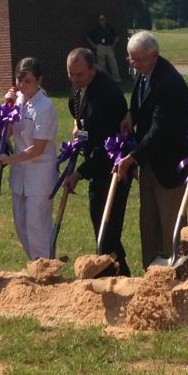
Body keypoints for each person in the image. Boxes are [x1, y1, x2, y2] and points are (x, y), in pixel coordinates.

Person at [116, 31, 188, 269]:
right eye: (131, 59)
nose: (133, 64)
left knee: (171, 224)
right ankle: (151, 272)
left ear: (154, 55)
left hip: (169, 165)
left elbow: (161, 129)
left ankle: (178, 275)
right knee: (148, 223)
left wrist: (133, 157)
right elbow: (140, 102)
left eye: (138, 59)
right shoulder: (143, 73)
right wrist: (131, 114)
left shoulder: (168, 82)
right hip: (150, 163)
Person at [64, 47, 131, 275]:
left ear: (93, 69)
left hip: (112, 167)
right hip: (96, 163)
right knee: (100, 224)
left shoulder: (106, 96)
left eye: (79, 74)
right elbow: (78, 113)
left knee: (108, 229)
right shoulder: (82, 86)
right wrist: (78, 126)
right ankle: (113, 273)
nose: (74, 80)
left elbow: (105, 147)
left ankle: (116, 276)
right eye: (70, 74)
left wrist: (79, 173)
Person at [0, 57, 59, 260]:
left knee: (36, 226)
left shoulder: (45, 106)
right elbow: (6, 134)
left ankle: (46, 269)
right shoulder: (19, 101)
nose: (22, 86)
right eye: (19, 81)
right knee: (21, 225)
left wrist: (11, 159)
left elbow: (39, 148)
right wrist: (7, 108)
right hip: (20, 175)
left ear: (39, 80)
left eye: (28, 81)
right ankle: (35, 264)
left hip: (39, 173)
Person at [86, 13, 121, 81]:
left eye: (103, 19)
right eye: (100, 19)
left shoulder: (109, 27)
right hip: (100, 47)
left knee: (113, 62)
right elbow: (88, 37)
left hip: (109, 46)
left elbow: (117, 35)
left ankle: (117, 79)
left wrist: (114, 43)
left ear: (105, 20)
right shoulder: (96, 29)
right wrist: (94, 45)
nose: (102, 21)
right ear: (99, 21)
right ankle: (103, 80)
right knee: (101, 64)